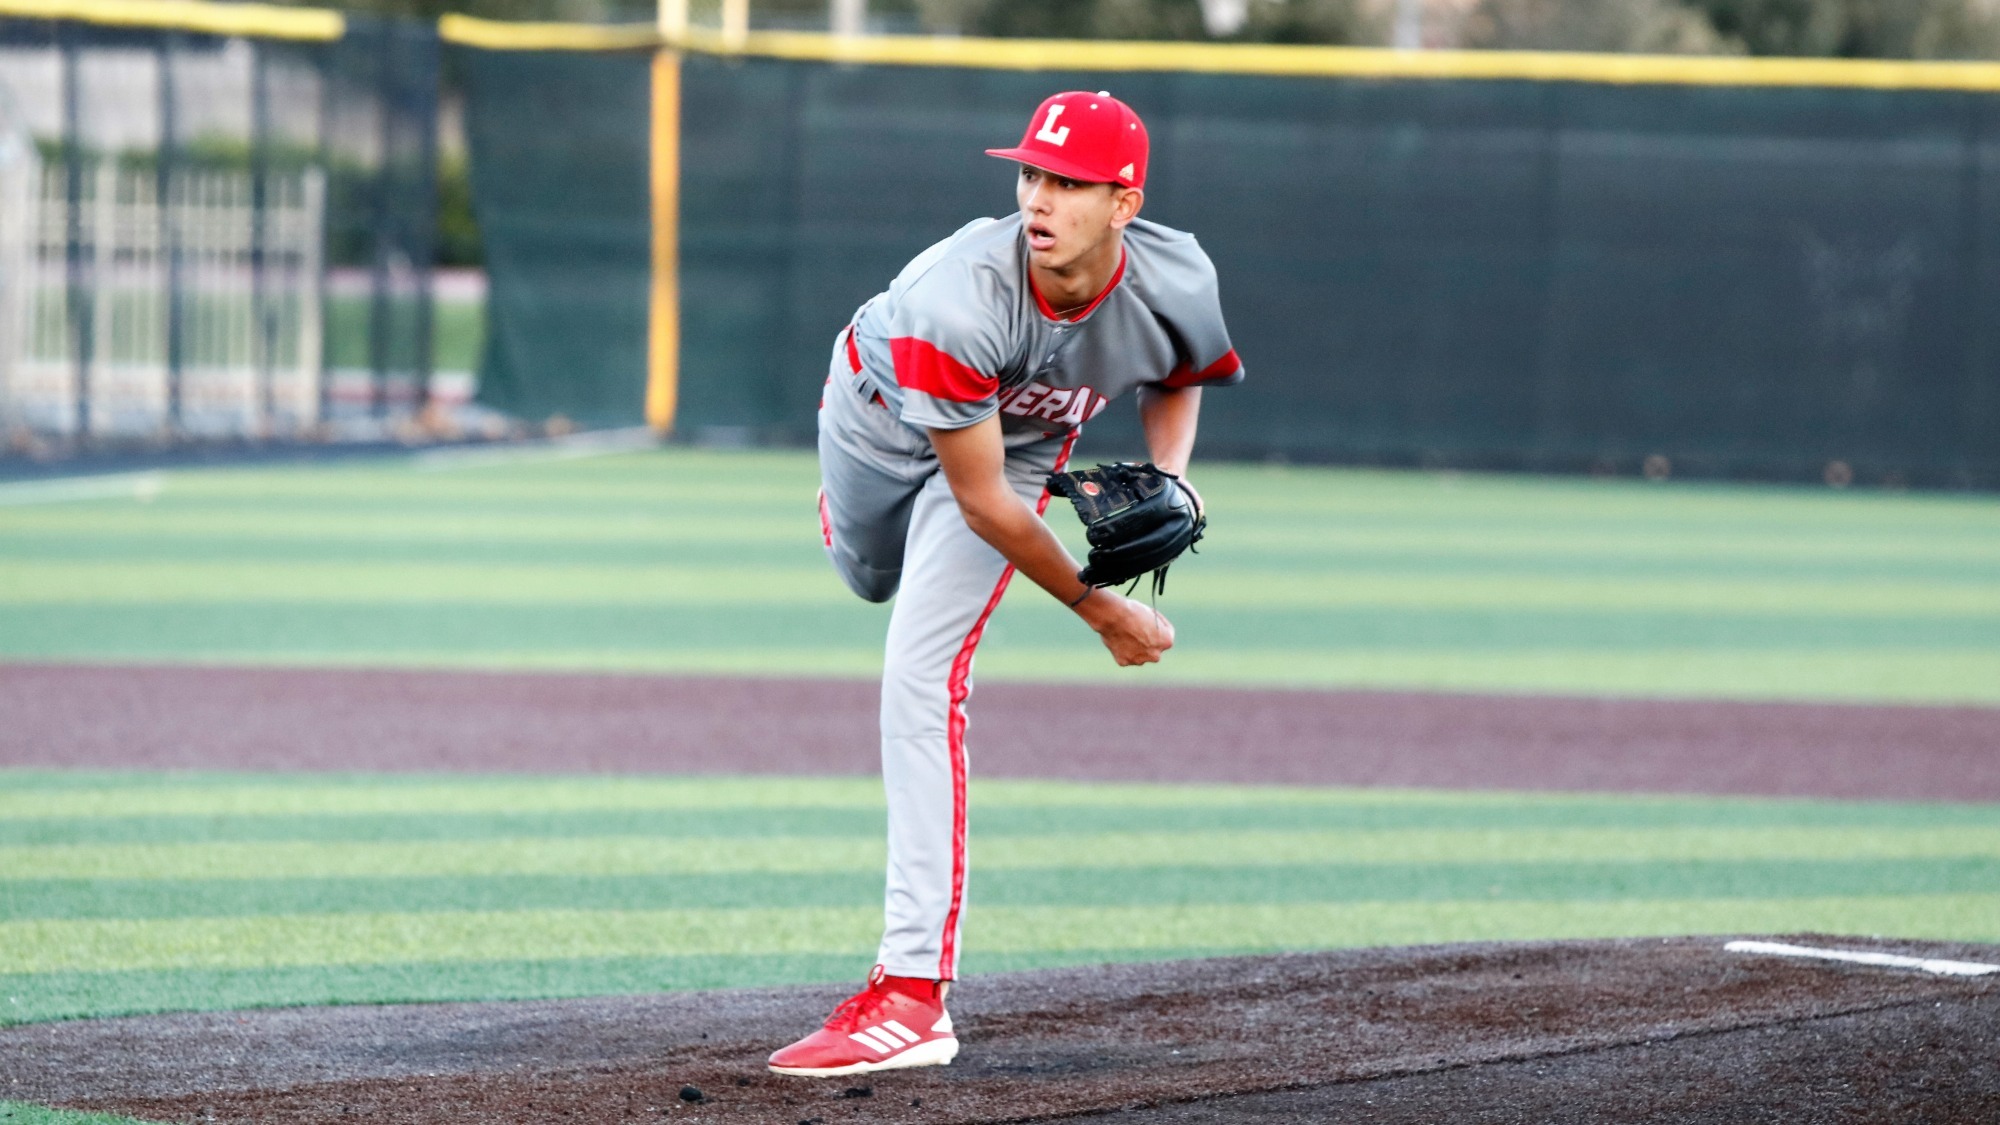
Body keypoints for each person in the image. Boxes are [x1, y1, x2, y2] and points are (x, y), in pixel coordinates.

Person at [768, 90, 1244, 1078]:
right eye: (1031, 174)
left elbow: (1178, 371)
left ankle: (908, 995)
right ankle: (864, 531)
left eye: (1067, 182)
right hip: (875, 408)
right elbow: (982, 505)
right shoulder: (958, 294)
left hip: (1019, 446)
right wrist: (1096, 606)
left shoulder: (1176, 274)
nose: (1038, 197)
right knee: (868, 574)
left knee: (917, 671)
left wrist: (1174, 477)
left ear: (1123, 202)